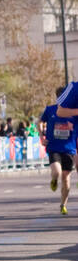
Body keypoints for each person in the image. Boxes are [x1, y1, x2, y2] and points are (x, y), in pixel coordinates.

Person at [44, 85, 78, 213]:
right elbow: (40, 122)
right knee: (57, 172)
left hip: (69, 148)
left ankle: (63, 204)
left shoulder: (73, 112)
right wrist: (42, 136)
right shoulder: (50, 110)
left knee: (66, 178)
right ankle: (54, 179)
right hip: (54, 147)